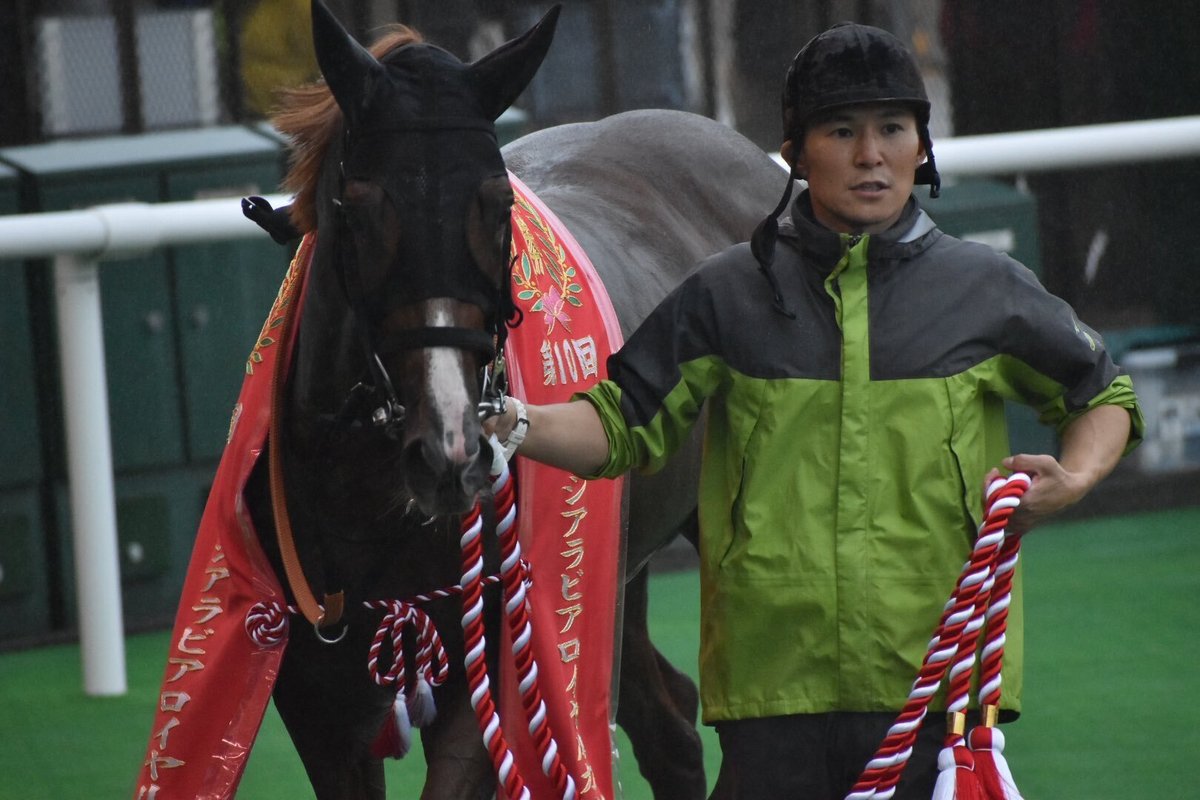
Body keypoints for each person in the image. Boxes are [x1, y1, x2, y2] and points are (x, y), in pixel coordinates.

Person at [485, 22, 1143, 800]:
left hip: (934, 699)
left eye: (893, 130)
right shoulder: (724, 295)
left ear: (921, 148)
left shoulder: (987, 290)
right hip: (770, 703)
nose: (872, 156)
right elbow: (618, 424)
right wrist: (512, 421)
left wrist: (1073, 477)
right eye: (843, 132)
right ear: (796, 153)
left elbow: (1101, 394)